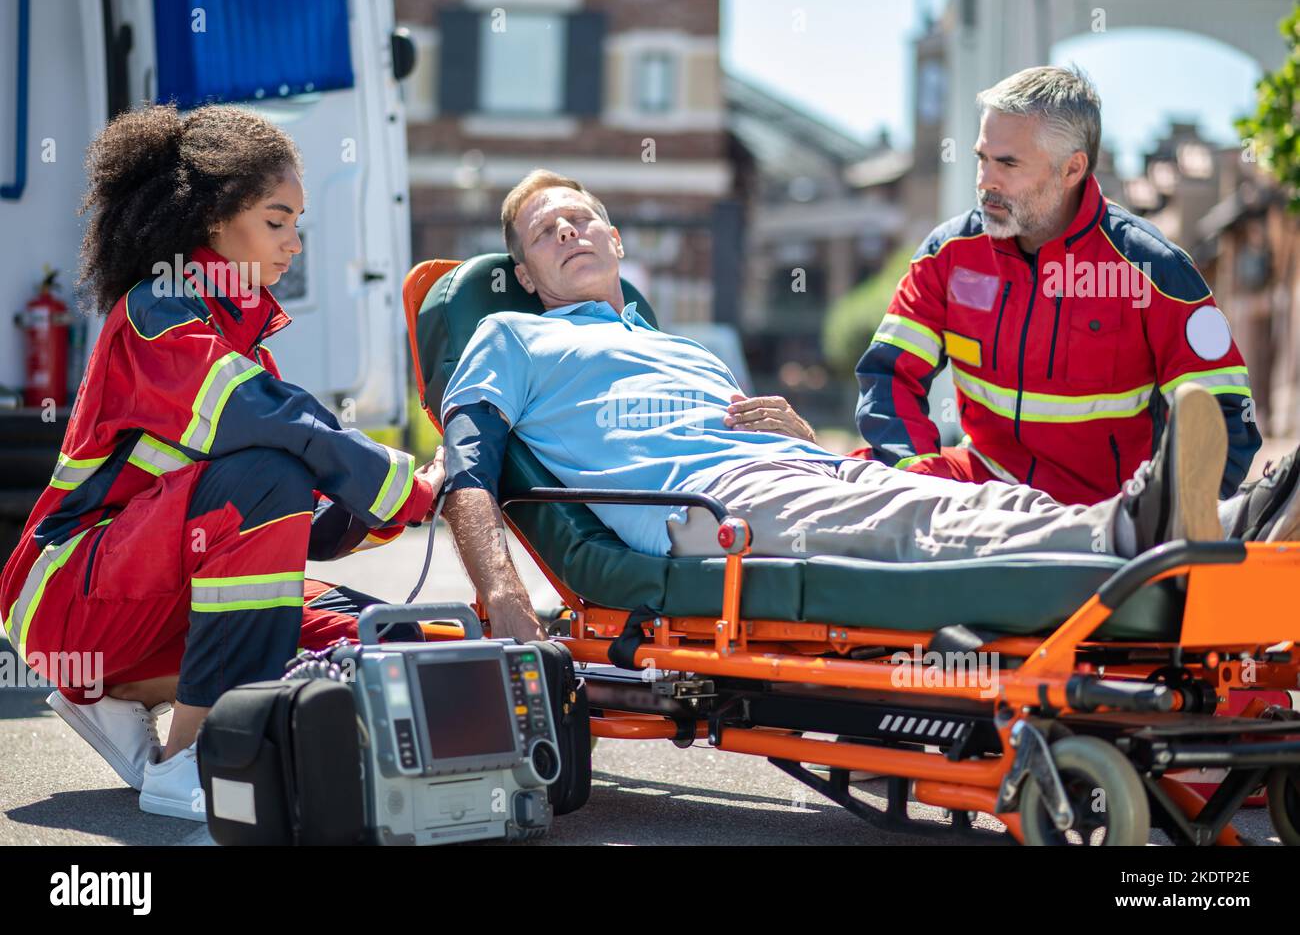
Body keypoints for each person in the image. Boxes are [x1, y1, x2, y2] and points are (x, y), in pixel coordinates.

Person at [436, 170, 1300, 641]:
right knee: (912, 527)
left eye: (581, 219)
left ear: (616, 241)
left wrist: (806, 436)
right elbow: (468, 475)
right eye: (546, 234)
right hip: (697, 516)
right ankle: (1140, 530)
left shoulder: (677, 344)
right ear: (526, 276)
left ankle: (1232, 515)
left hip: (788, 471)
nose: (569, 235)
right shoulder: (510, 340)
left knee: (959, 499)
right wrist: (503, 594)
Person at [0, 105, 444, 821]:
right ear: (212, 220)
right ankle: (189, 762)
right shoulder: (158, 311)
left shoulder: (237, 341)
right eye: (277, 221)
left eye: (297, 224)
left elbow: (302, 525)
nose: (293, 244)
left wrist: (404, 504)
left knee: (397, 642)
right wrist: (398, 484)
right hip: (63, 599)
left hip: (142, 608)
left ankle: (119, 692)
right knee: (268, 473)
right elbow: (275, 430)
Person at [853, 65, 1261, 508]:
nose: (986, 180)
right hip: (983, 494)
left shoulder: (1153, 268)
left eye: (1008, 163)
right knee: (842, 479)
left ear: (1072, 169)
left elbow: (1228, 417)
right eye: (982, 158)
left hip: (1109, 515)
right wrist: (918, 478)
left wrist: (1167, 516)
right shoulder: (946, 256)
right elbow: (888, 374)